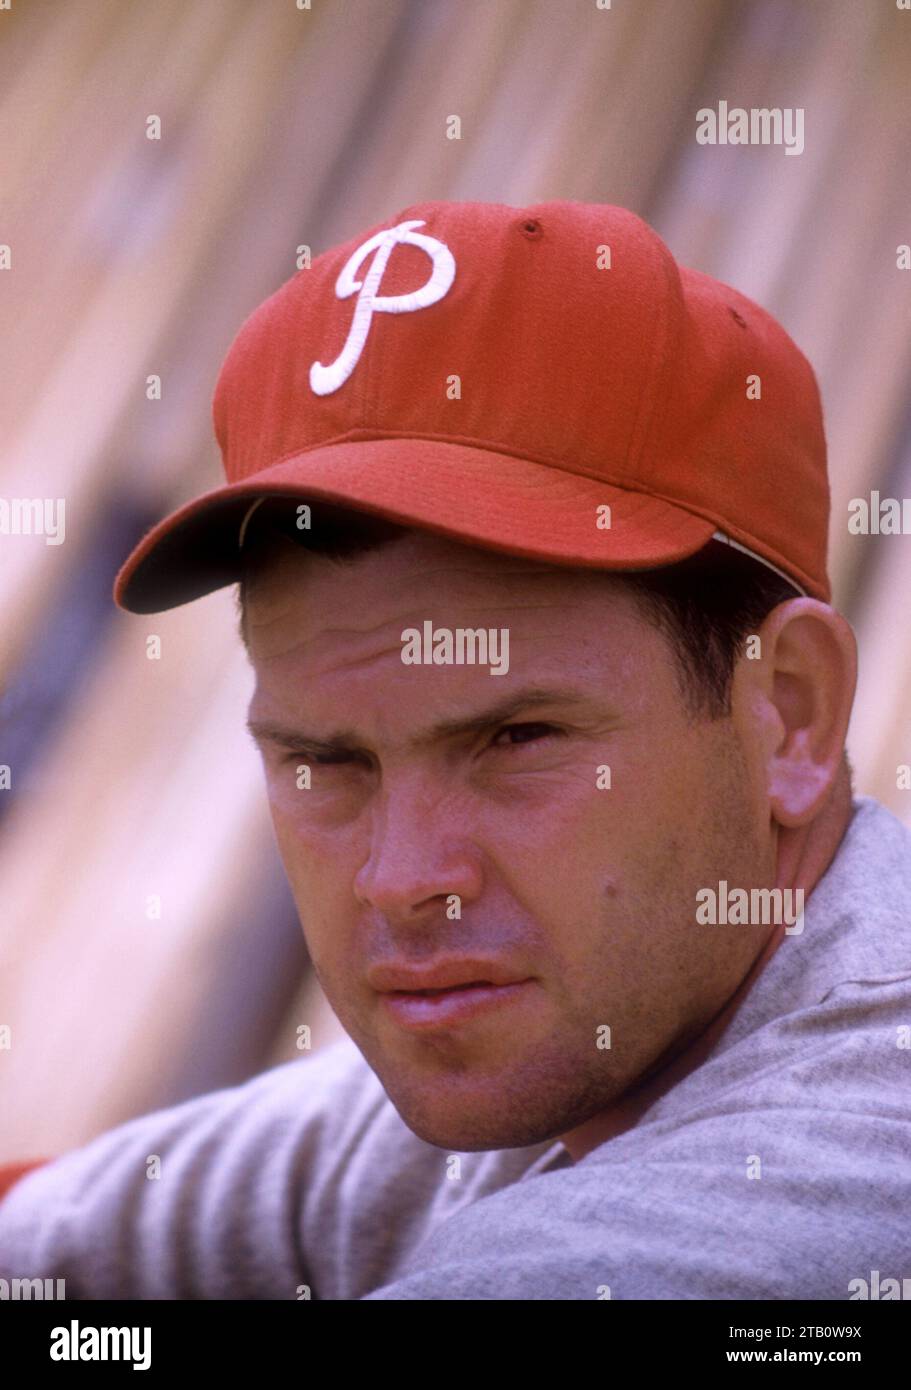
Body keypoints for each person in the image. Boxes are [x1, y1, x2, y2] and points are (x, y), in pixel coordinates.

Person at [1, 200, 908, 1300]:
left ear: (791, 714)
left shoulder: (847, 1164)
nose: (400, 880)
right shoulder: (565, 1042)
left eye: (514, 739)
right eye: (326, 762)